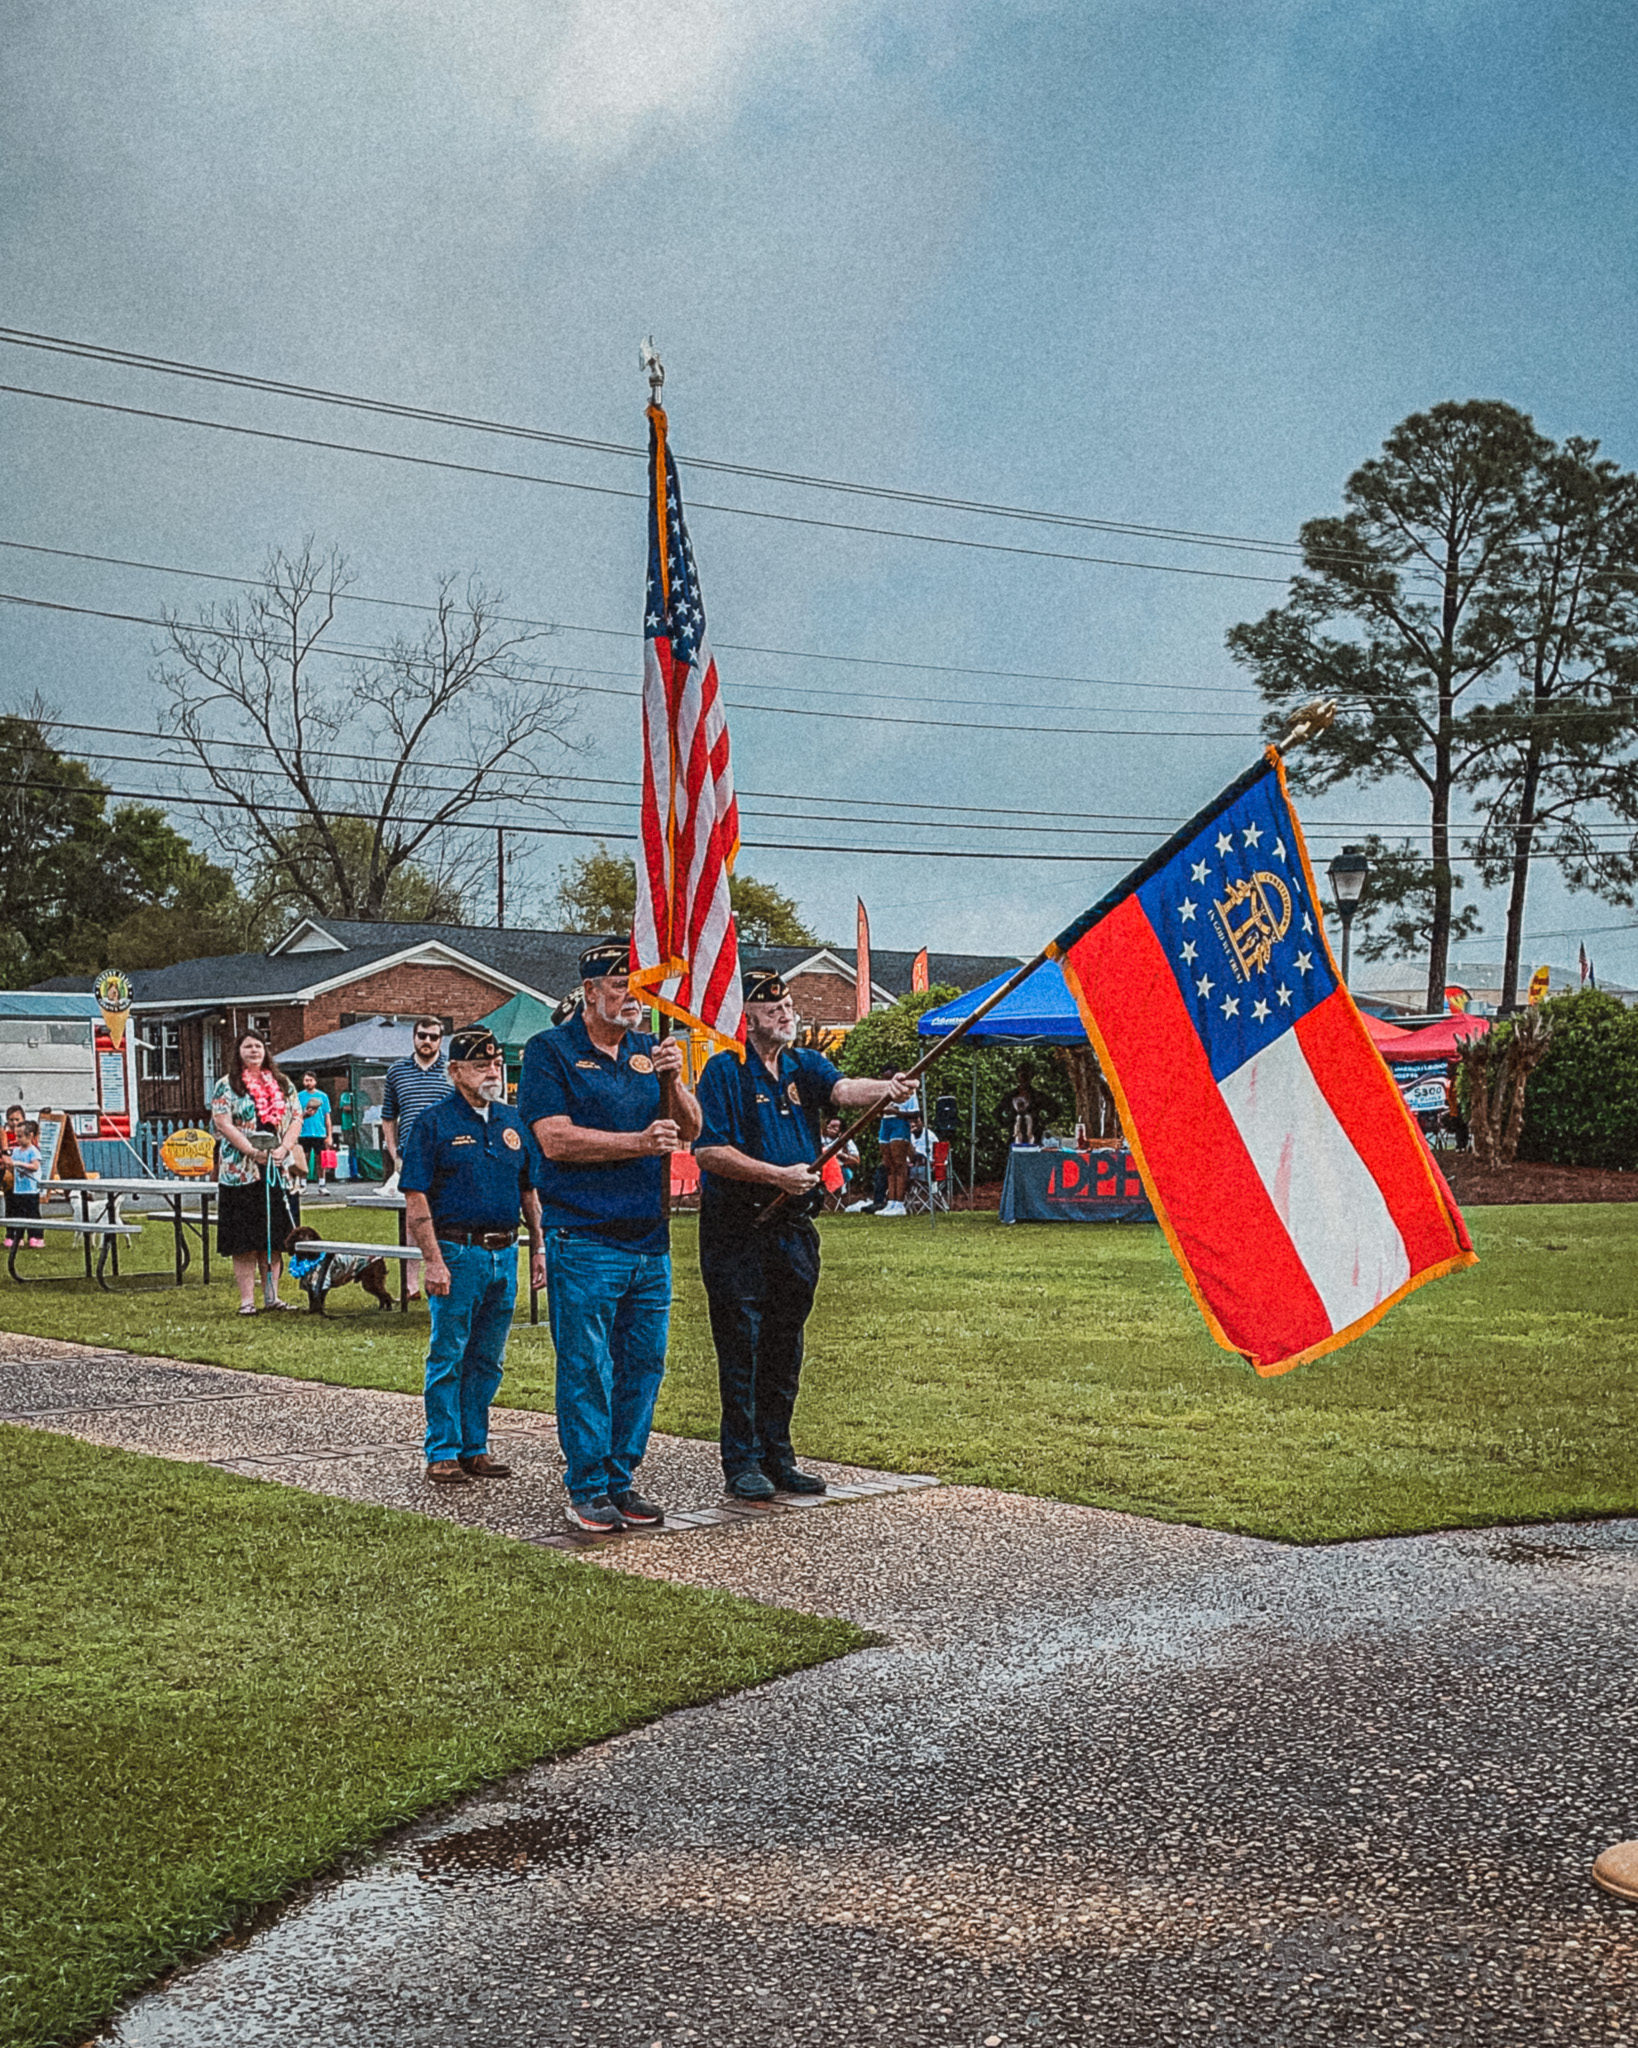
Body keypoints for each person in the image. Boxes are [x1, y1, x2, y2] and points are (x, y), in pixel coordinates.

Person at [693, 970, 912, 1500]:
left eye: (787, 1005)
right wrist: (776, 1176)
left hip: (792, 1231)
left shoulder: (802, 1065)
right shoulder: (725, 1071)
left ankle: (779, 1454)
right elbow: (708, 1150)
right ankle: (741, 1460)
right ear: (747, 1017)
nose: (785, 1014)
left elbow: (841, 1088)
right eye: (772, 1009)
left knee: (784, 1347)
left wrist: (886, 1089)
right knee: (741, 1346)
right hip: (739, 1229)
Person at [520, 939, 703, 1534]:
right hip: (586, 1236)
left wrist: (675, 1082)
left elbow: (692, 1128)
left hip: (649, 1238)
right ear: (591, 992)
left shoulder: (652, 1052)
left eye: (641, 988)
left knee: (643, 1364)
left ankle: (622, 1478)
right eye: (623, 987)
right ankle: (587, 1484)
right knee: (587, 1365)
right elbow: (554, 1139)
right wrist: (636, 1143)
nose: (634, 999)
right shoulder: (551, 1052)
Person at [401, 1024, 546, 1486]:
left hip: (505, 1251)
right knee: (449, 1353)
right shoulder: (434, 1123)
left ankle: (475, 1446)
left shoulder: (512, 1122)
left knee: (488, 1357)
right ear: (455, 1070)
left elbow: (529, 1190)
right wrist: (432, 1259)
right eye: (481, 1065)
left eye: (497, 1064)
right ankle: (442, 1448)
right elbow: (416, 1198)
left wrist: (539, 1245)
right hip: (458, 1250)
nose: (492, 1073)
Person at [210, 1031, 304, 1314]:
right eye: (247, 1046)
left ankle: (272, 1296)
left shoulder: (282, 1083)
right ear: (238, 1051)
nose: (253, 1050)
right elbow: (224, 1123)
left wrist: (283, 1149)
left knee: (274, 1236)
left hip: (276, 1169)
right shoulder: (226, 1085)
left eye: (258, 1046)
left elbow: (296, 1117)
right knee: (244, 1238)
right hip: (241, 1170)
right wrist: (252, 1151)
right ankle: (246, 1300)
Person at [381, 1017, 451, 1298]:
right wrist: (393, 1150)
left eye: (434, 1037)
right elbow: (388, 1115)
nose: (427, 1041)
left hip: (447, 1153)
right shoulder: (397, 1071)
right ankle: (410, 1284)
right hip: (411, 1154)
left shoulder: (451, 1069)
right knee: (414, 1218)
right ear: (413, 1036)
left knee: (446, 1217)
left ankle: (442, 1274)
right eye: (422, 1035)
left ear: (440, 1040)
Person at [874, 1070, 920, 1218]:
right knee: (888, 1165)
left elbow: (915, 1114)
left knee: (899, 1164)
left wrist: (897, 1112)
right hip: (885, 1123)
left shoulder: (908, 1091)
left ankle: (899, 1203)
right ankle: (891, 1202)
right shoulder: (884, 1091)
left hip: (899, 1124)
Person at [5, 1120, 44, 1249]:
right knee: (19, 1213)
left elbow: (35, 1166)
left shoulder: (33, 1151)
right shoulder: (16, 1151)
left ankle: (36, 1236)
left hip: (31, 1189)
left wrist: (19, 1164)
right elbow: (11, 1166)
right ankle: (18, 1236)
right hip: (19, 1189)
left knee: (32, 1213)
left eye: (20, 1136)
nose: (18, 1139)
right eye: (17, 1136)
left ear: (30, 1136)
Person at [297, 1072, 334, 1185]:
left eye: (310, 1080)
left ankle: (322, 1184)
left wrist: (329, 1136)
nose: (308, 1082)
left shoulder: (323, 1096)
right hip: (303, 1133)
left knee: (321, 1160)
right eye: (306, 1080)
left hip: (319, 1133)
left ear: (315, 1081)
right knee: (304, 1159)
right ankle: (302, 1183)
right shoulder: (299, 1096)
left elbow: (327, 1117)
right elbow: (295, 1115)